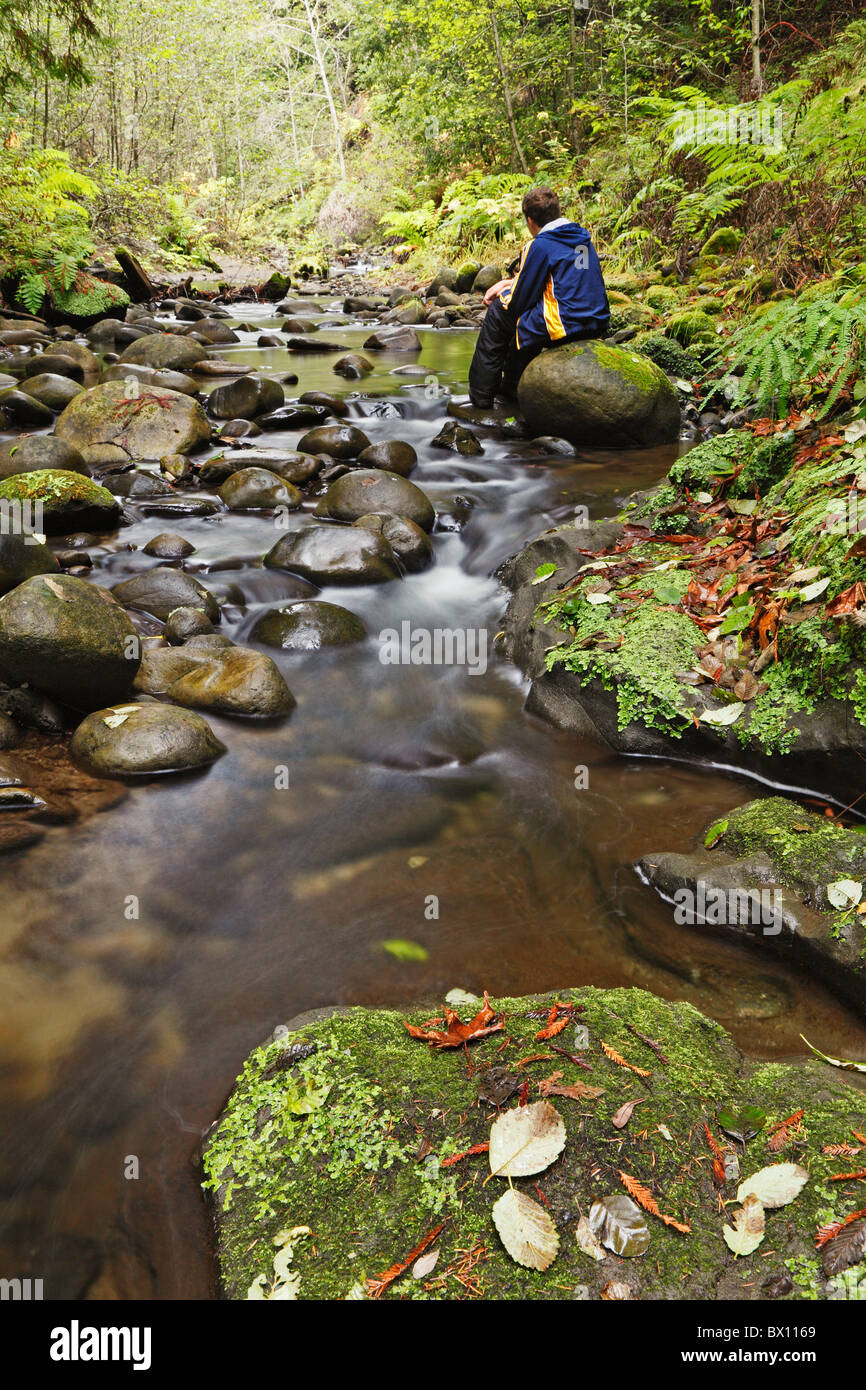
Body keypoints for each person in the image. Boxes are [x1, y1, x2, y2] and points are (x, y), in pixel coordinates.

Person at [467, 185, 610, 408]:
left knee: (500, 311)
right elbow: (565, 278)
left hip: (565, 325)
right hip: (595, 321)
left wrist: (504, 293)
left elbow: (518, 301)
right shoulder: (581, 239)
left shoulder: (540, 245)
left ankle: (481, 394)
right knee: (529, 316)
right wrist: (510, 282)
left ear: (531, 221)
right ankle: (512, 386)